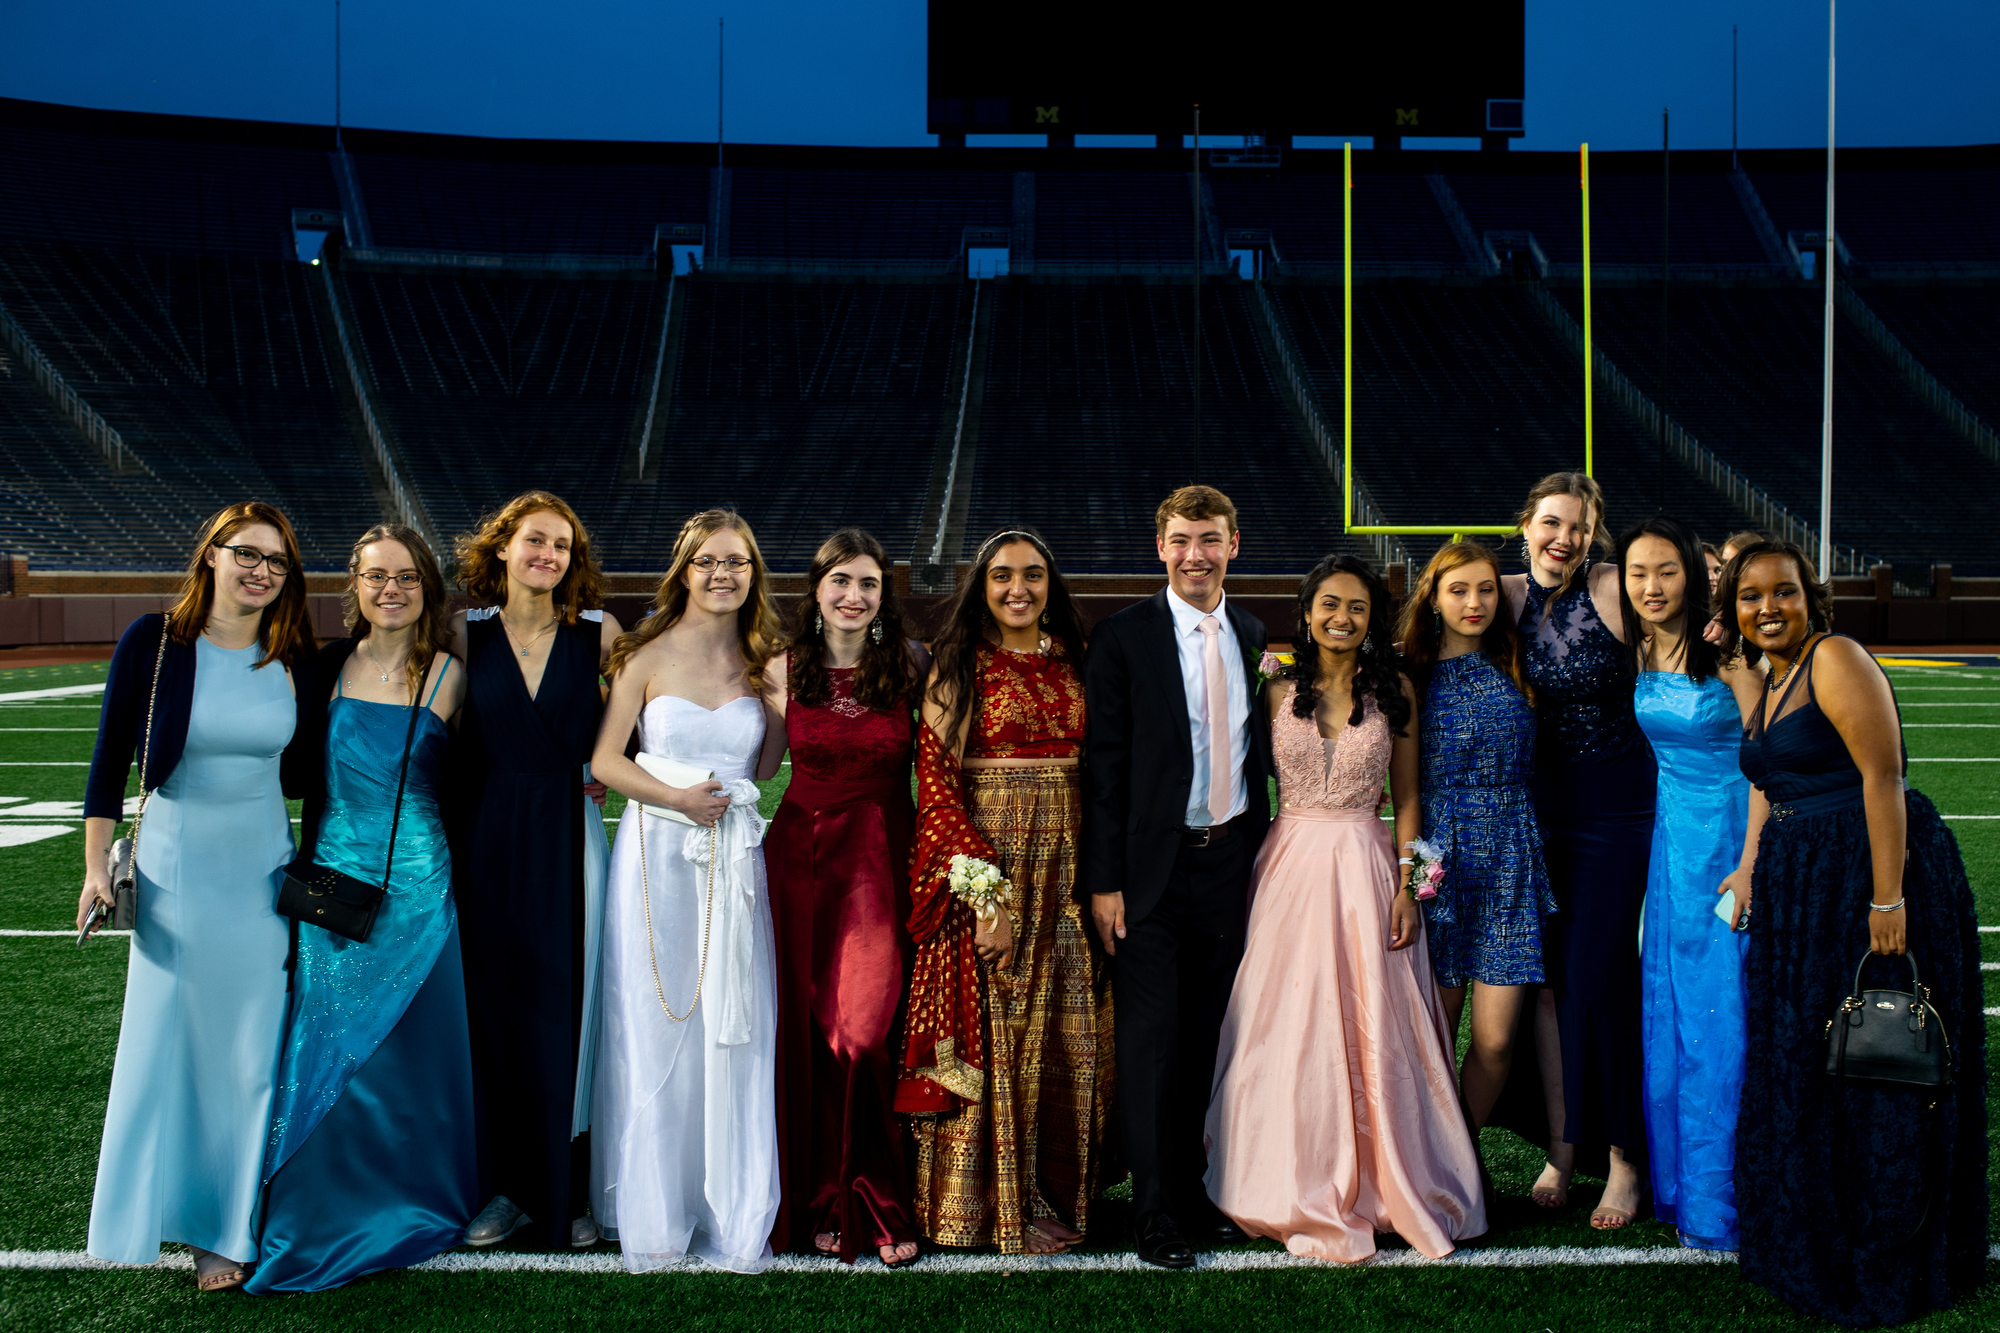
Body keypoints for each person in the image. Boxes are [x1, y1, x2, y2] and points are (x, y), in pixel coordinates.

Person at [1724, 541, 1987, 1326]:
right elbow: (1772, 784)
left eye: (1783, 592)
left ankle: (1884, 1247)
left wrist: (1885, 897)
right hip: (1801, 885)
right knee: (1812, 1057)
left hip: (1862, 874)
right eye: (1748, 597)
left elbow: (1884, 775)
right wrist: (1752, 870)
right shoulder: (1768, 677)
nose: (1767, 607)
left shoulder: (1835, 656)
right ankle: (1817, 1234)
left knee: (1874, 1056)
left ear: (1812, 597)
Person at [1204, 555, 1484, 1262]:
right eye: (1330, 603)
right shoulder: (1273, 684)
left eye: (1358, 607)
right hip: (1289, 864)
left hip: (1366, 866)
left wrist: (1409, 887)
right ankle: (1281, 1176)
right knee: (1284, 1024)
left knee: (1371, 1025)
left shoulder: (1397, 693)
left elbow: (1411, 800)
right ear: (1305, 610)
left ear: (1373, 617)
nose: (1343, 617)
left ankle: (1388, 1178)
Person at [79, 502, 322, 1292]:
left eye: (277, 561)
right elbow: (109, 757)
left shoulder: (292, 653)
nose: (260, 571)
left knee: (250, 1054)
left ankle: (227, 1227)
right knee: (169, 1047)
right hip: (177, 870)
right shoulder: (155, 642)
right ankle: (154, 1212)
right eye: (246, 553)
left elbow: (315, 770)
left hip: (260, 870)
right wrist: (92, 869)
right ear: (210, 556)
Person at [247, 524, 477, 1292]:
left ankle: (415, 1199)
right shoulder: (323, 668)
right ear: (355, 586)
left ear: (426, 587)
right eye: (377, 576)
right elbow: (277, 760)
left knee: (416, 1057)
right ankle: (318, 1210)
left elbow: (481, 775)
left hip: (423, 886)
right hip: (335, 888)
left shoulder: (453, 670)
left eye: (407, 577)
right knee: (327, 1045)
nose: (392, 590)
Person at [900, 527, 1109, 1256]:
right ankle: (988, 1207)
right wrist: (987, 897)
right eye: (1000, 576)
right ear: (980, 586)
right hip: (992, 867)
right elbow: (938, 787)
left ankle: (1051, 1194)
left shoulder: (1076, 661)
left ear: (1052, 584)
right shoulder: (958, 664)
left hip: (1068, 869)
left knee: (1065, 1032)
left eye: (1032, 575)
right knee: (1000, 1031)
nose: (1017, 588)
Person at [588, 509, 787, 1273]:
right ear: (684, 569)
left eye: (736, 562)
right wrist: (675, 801)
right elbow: (608, 759)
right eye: (706, 561)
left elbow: (765, 769)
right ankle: (656, 1205)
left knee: (729, 1023)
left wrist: (779, 700)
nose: (722, 575)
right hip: (655, 855)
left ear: (753, 574)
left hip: (732, 856)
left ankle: (725, 1203)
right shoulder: (643, 654)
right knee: (655, 1019)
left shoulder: (765, 658)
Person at [1084, 486, 1273, 1270]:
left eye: (1211, 539)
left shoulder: (1255, 631)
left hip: (1228, 860)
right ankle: (1153, 1210)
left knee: (1205, 1037)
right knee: (1152, 1041)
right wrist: (1104, 880)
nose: (1196, 553)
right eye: (1182, 539)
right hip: (1148, 872)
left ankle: (1195, 1192)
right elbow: (1104, 767)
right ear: (1159, 547)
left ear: (1235, 544)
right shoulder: (1124, 636)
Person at [450, 491, 623, 1252]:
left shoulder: (598, 632)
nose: (546, 555)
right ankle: (508, 1187)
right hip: (484, 839)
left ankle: (571, 1188)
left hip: (568, 834)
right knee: (494, 1013)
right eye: (533, 541)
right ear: (501, 549)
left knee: (571, 1010)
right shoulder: (464, 631)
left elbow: (636, 729)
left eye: (560, 545)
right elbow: (446, 737)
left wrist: (610, 770)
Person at [763, 529, 926, 1267]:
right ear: (817, 588)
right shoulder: (782, 668)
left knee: (862, 1034)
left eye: (868, 583)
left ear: (884, 594)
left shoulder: (912, 666)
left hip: (884, 860)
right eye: (840, 581)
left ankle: (872, 1195)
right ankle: (818, 1196)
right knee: (805, 1035)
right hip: (797, 863)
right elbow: (755, 758)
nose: (853, 596)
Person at [1498, 472, 1652, 1229]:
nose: (1564, 538)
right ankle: (1564, 1146)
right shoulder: (1500, 595)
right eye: (1551, 522)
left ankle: (1625, 1159)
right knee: (1550, 989)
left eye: (1580, 527)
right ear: (1524, 524)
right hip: (1536, 819)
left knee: (1601, 982)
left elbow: (1687, 629)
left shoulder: (1616, 587)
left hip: (1618, 812)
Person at [1617, 517, 1763, 1253]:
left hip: (1733, 836)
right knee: (1673, 1009)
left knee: (1726, 1014)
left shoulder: (1728, 648)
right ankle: (1677, 1187)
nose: (1651, 586)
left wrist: (1751, 861)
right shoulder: (1632, 647)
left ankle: (1729, 1195)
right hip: (1672, 847)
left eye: (1666, 571)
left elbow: (1765, 757)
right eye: (1638, 571)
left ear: (1695, 575)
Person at [1396, 542, 1555, 1148]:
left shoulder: (1522, 659)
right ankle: (1428, 1168)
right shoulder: (1411, 674)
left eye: (1486, 589)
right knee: (1435, 1032)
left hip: (1512, 851)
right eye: (1458, 590)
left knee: (1495, 1040)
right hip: (1438, 853)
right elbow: (1406, 793)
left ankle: (1453, 1159)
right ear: (1433, 598)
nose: (1474, 602)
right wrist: (1410, 883)